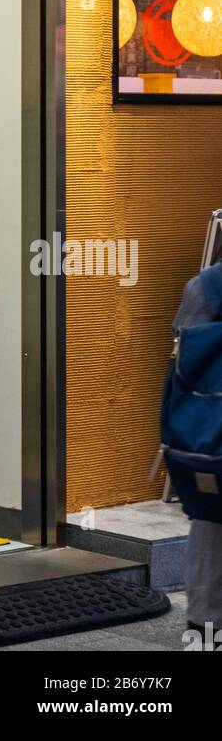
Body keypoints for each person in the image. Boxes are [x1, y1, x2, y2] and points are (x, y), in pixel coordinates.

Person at [171, 268, 222, 643]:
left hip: (213, 437)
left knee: (211, 526)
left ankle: (205, 628)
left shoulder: (208, 284)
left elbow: (183, 356)